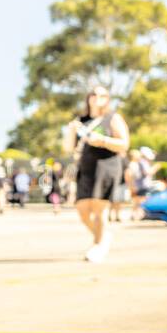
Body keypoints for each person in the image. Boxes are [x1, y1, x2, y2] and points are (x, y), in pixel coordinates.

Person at [65, 86, 129, 262]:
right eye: (93, 94)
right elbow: (68, 148)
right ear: (88, 98)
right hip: (86, 168)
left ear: (107, 99)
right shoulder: (82, 120)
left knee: (99, 208)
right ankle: (103, 237)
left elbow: (124, 144)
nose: (97, 97)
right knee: (82, 208)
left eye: (102, 95)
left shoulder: (112, 118)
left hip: (107, 166)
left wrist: (102, 140)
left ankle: (98, 245)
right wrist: (71, 131)